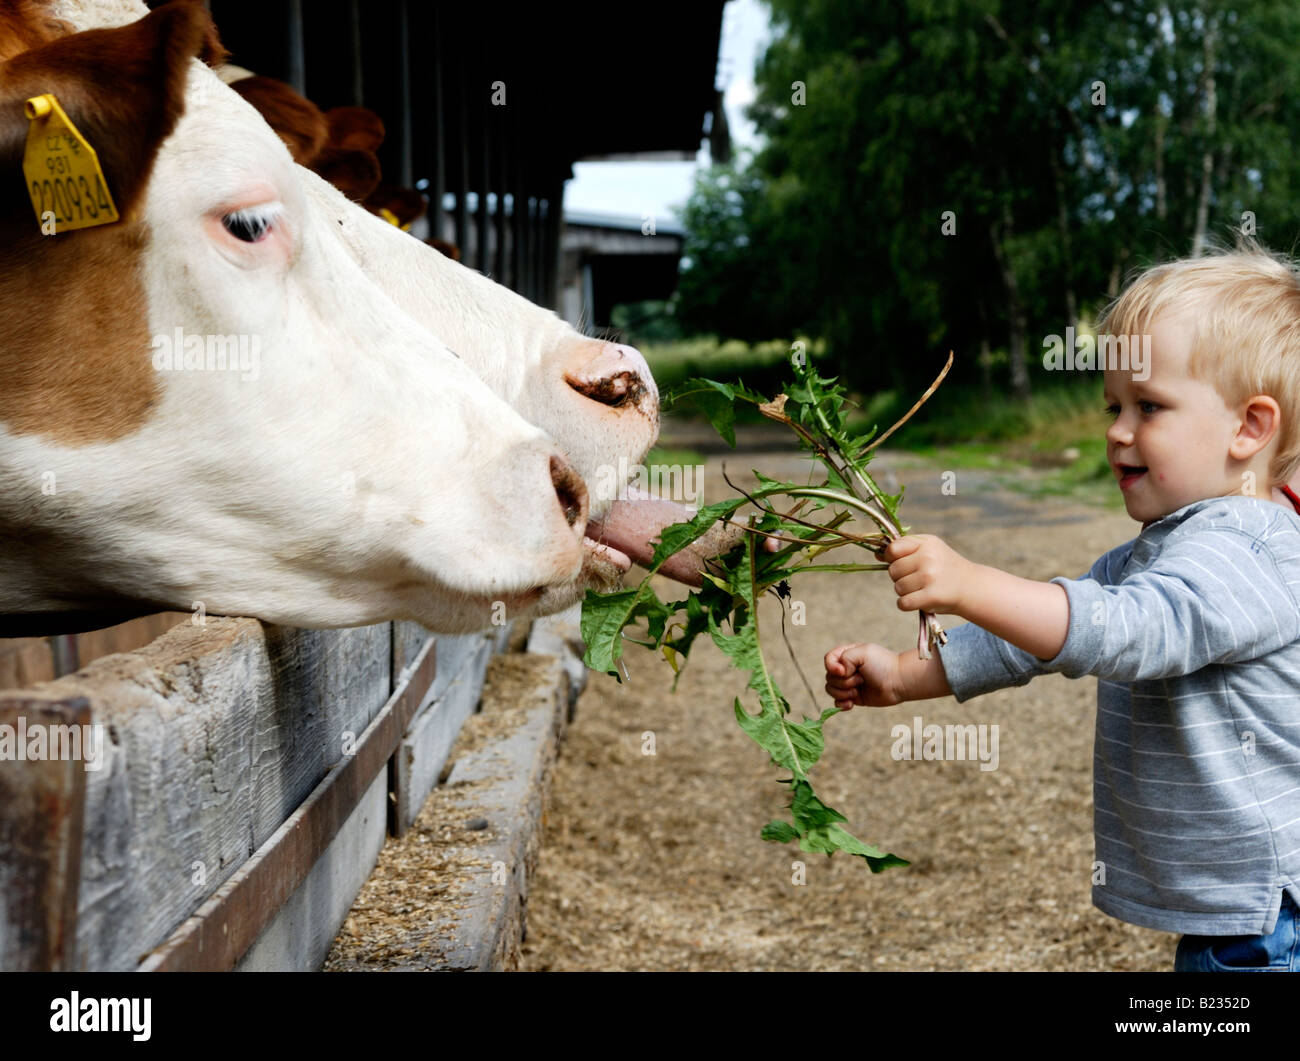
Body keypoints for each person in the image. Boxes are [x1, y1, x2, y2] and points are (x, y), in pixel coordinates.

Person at [824, 246, 1300, 971]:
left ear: (1249, 428)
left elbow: (1122, 631)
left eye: (1149, 406)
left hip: (1265, 917)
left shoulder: (1245, 547)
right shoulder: (1172, 544)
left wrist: (969, 581)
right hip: (1245, 911)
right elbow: (1034, 636)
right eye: (1114, 406)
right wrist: (902, 674)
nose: (1116, 430)